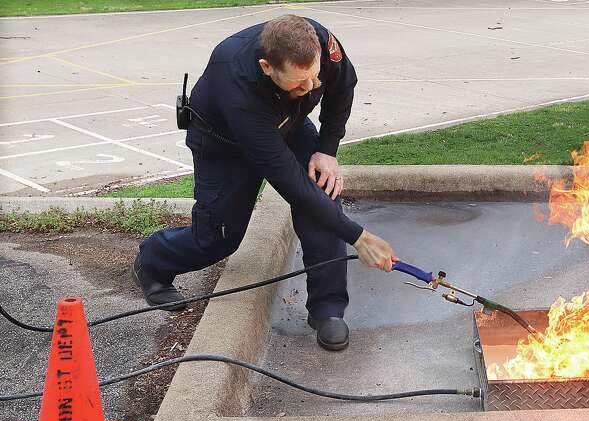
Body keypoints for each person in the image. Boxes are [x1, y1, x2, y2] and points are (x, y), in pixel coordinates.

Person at [132, 14, 396, 351]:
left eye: (313, 79)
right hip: (223, 143)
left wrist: (327, 150)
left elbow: (343, 88)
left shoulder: (320, 43)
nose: (308, 89)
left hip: (288, 124)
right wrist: (360, 237)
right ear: (266, 67)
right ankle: (153, 262)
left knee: (323, 191)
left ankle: (327, 309)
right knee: (218, 239)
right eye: (297, 83)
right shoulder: (237, 84)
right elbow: (290, 183)